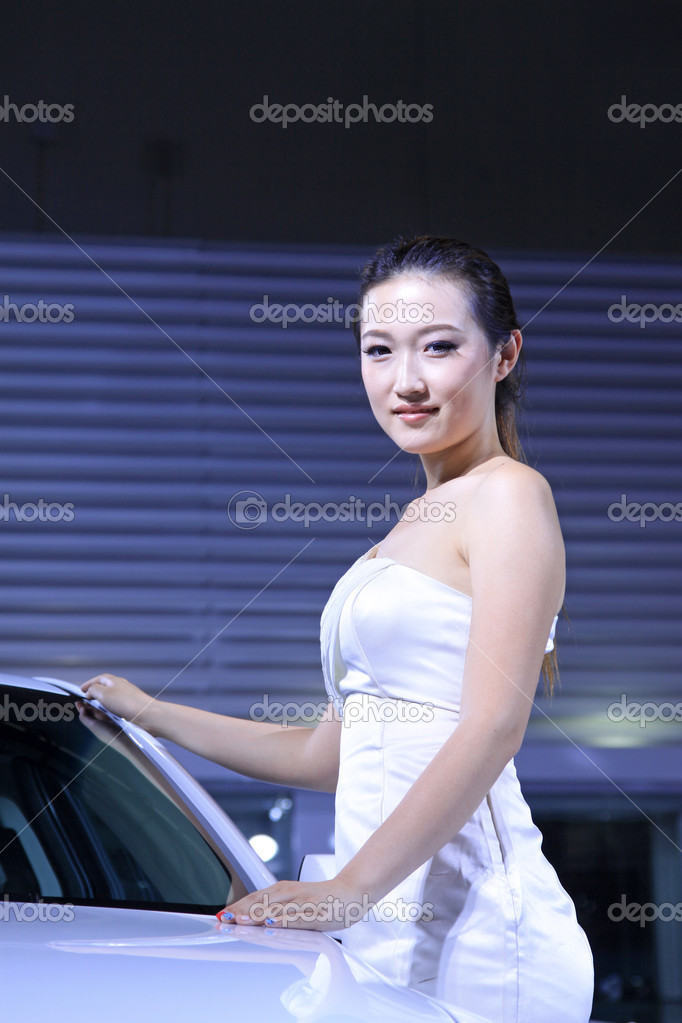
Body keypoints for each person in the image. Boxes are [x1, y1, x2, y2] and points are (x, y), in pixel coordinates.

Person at [80, 235, 594, 1022]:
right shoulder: (402, 532)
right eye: (379, 350)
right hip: (383, 924)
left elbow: (494, 725)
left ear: (505, 354)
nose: (407, 381)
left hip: (483, 935)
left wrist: (346, 892)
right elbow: (327, 754)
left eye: (440, 346)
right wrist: (150, 712)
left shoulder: (509, 496)